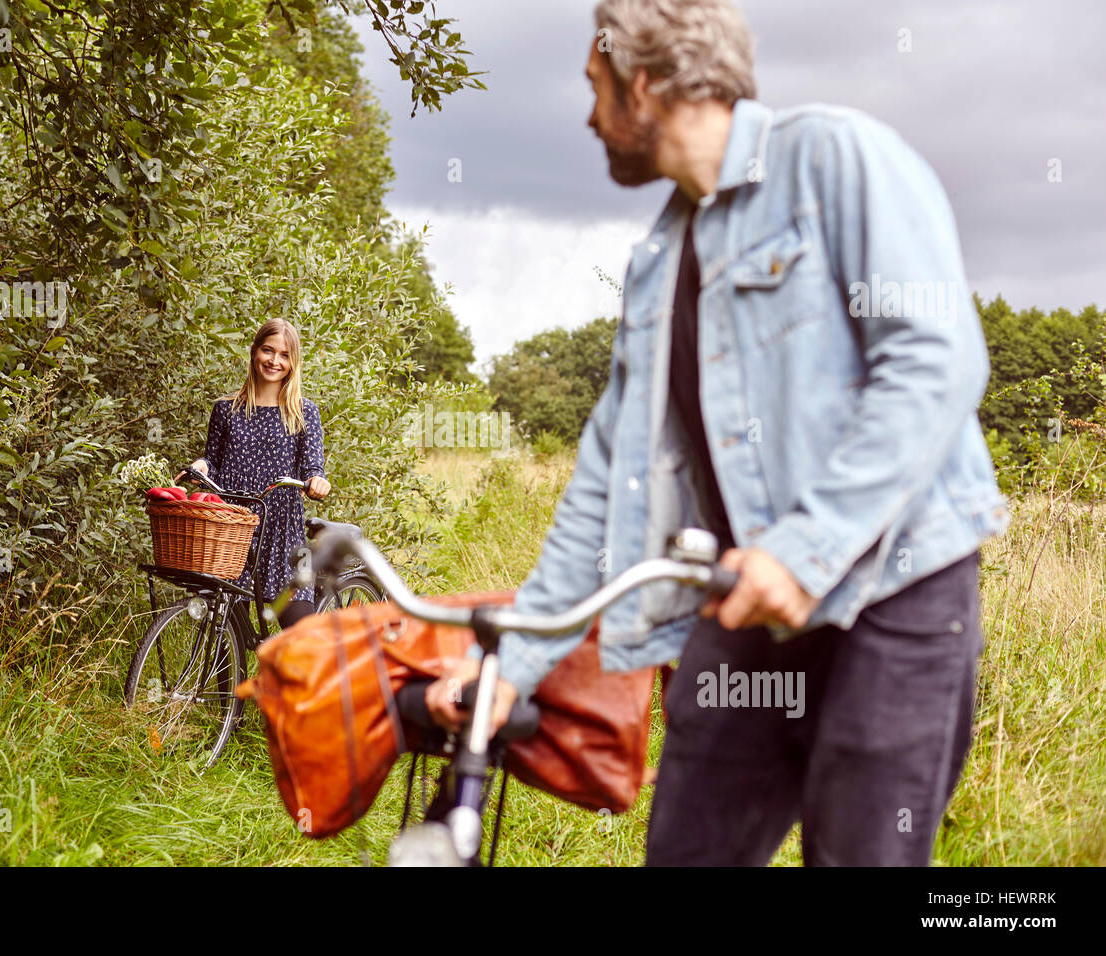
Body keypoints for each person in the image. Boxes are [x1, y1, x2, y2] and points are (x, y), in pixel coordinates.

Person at [426, 0, 1010, 866]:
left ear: (649, 83)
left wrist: (803, 552)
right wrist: (510, 664)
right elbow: (606, 479)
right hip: (748, 613)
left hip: (897, 602)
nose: (589, 118)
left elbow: (935, 364)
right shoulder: (661, 259)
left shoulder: (835, 159)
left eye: (597, 88)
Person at [183, 318, 331, 629]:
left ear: (293, 362)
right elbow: (213, 460)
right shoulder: (226, 410)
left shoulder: (304, 412)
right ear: (254, 352)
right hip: (232, 533)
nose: (274, 361)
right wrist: (201, 466)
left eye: (284, 355)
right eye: (268, 350)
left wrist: (317, 482)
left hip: (285, 536)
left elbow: (313, 468)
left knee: (303, 635)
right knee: (224, 637)